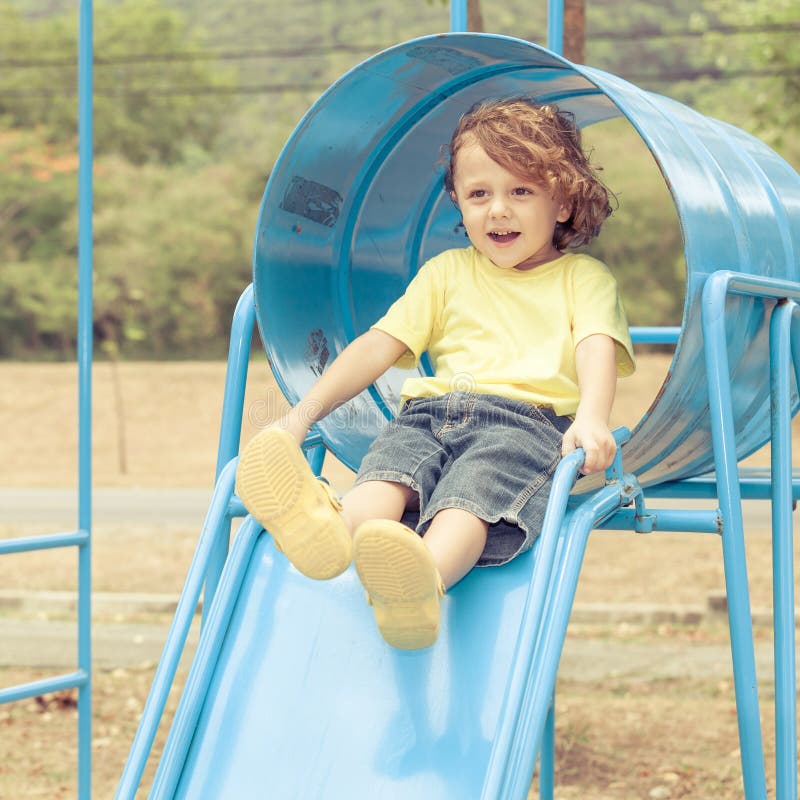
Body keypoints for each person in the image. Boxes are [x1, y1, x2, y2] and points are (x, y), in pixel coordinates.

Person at [235, 98, 635, 650]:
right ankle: (328, 533)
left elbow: (596, 346)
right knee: (384, 476)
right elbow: (376, 346)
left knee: (468, 502)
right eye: (479, 194)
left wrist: (592, 418)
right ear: (458, 203)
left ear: (562, 200)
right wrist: (300, 418)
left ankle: (420, 580)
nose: (498, 210)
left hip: (524, 427)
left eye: (521, 191)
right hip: (429, 413)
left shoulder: (583, 279)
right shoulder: (445, 272)